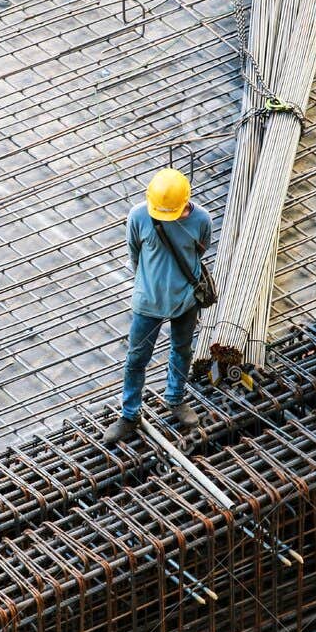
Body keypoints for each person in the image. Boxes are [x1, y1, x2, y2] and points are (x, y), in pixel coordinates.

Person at [103, 168, 212, 443]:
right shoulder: (139, 215)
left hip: (186, 299)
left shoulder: (201, 219)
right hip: (148, 301)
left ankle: (175, 398)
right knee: (136, 359)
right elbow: (134, 255)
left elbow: (200, 251)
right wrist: (152, 283)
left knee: (182, 350)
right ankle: (130, 414)